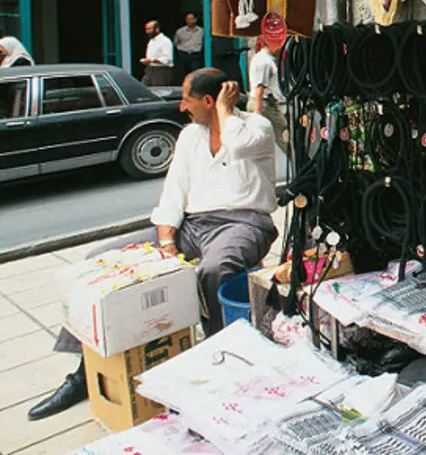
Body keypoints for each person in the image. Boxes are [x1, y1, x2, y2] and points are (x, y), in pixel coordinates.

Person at [27, 69, 278, 421]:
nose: (181, 107)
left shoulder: (256, 128)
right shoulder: (191, 136)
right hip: (193, 224)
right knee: (98, 260)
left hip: (244, 222)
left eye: (187, 99)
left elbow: (237, 145)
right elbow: (173, 192)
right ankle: (83, 373)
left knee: (214, 270)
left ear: (210, 100)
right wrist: (166, 239)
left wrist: (226, 108)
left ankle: (221, 359)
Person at [249, 37, 288, 153]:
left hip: (266, 103)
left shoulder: (265, 59)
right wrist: (258, 111)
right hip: (265, 104)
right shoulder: (264, 61)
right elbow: (259, 87)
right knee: (282, 136)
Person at [140, 20, 174, 86]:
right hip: (149, 69)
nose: (147, 32)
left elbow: (167, 59)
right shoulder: (151, 41)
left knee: (159, 91)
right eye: (146, 29)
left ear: (157, 29)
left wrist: (151, 60)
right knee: (143, 88)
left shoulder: (165, 41)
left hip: (161, 70)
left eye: (149, 29)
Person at [173, 13, 205, 79]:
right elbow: (175, 43)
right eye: (187, 19)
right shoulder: (180, 31)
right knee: (182, 75)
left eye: (191, 19)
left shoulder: (202, 31)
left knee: (195, 75)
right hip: (183, 55)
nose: (189, 21)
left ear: (195, 20)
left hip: (195, 55)